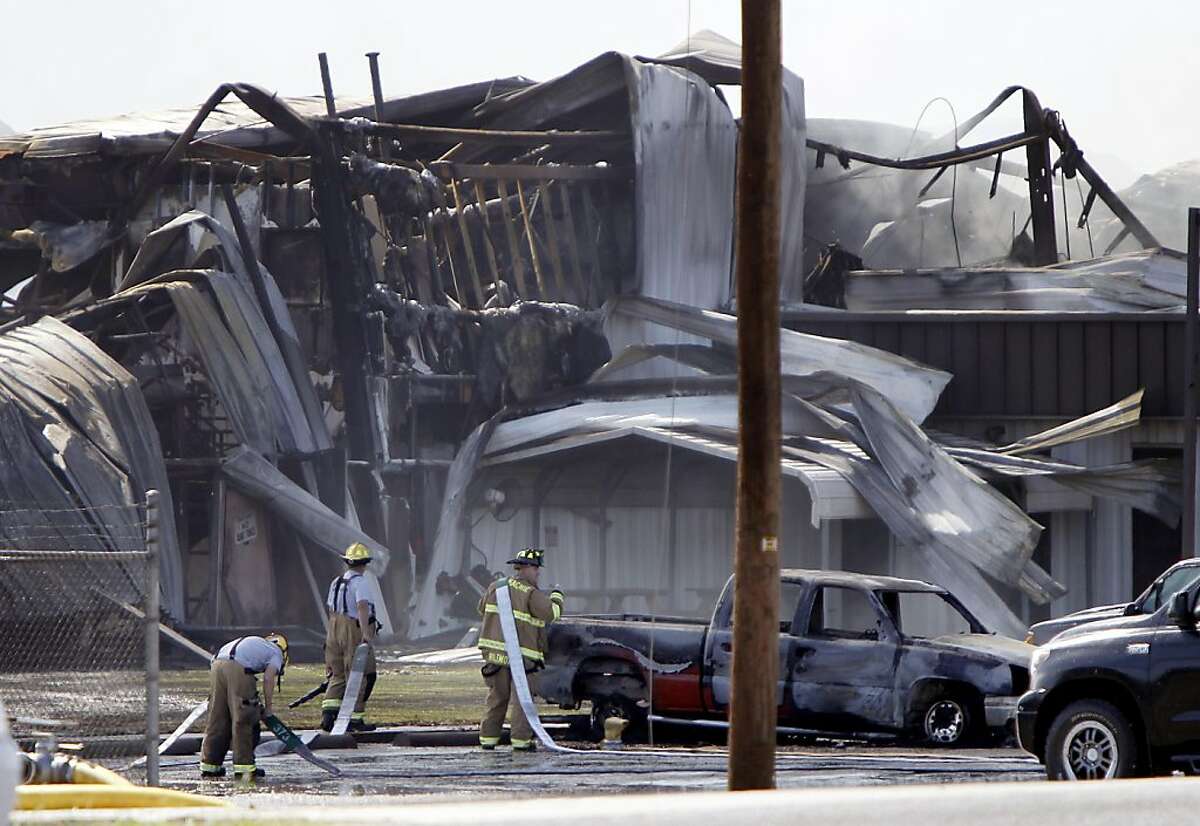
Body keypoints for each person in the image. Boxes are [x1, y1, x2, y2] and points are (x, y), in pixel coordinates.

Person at [477, 547, 565, 751]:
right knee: (522, 701)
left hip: (496, 657)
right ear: (526, 568)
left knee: (497, 698)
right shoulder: (530, 593)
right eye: (536, 569)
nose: (538, 573)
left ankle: (488, 740)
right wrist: (557, 596)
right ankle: (521, 742)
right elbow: (551, 614)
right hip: (522, 659)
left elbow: (481, 608)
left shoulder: (495, 587)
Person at [199, 633, 288, 780]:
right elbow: (268, 678)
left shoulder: (257, 644)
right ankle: (244, 767)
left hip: (216, 665)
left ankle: (210, 765)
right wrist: (269, 708)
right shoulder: (276, 652)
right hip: (238, 667)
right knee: (244, 717)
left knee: (218, 717)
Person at [320, 542, 379, 732]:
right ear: (364, 564)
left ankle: (328, 717)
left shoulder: (336, 582)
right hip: (352, 629)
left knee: (337, 675)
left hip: (334, 628)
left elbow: (331, 609)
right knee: (360, 674)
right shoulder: (360, 583)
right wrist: (365, 634)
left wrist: (330, 634)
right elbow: (362, 607)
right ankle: (355, 719)